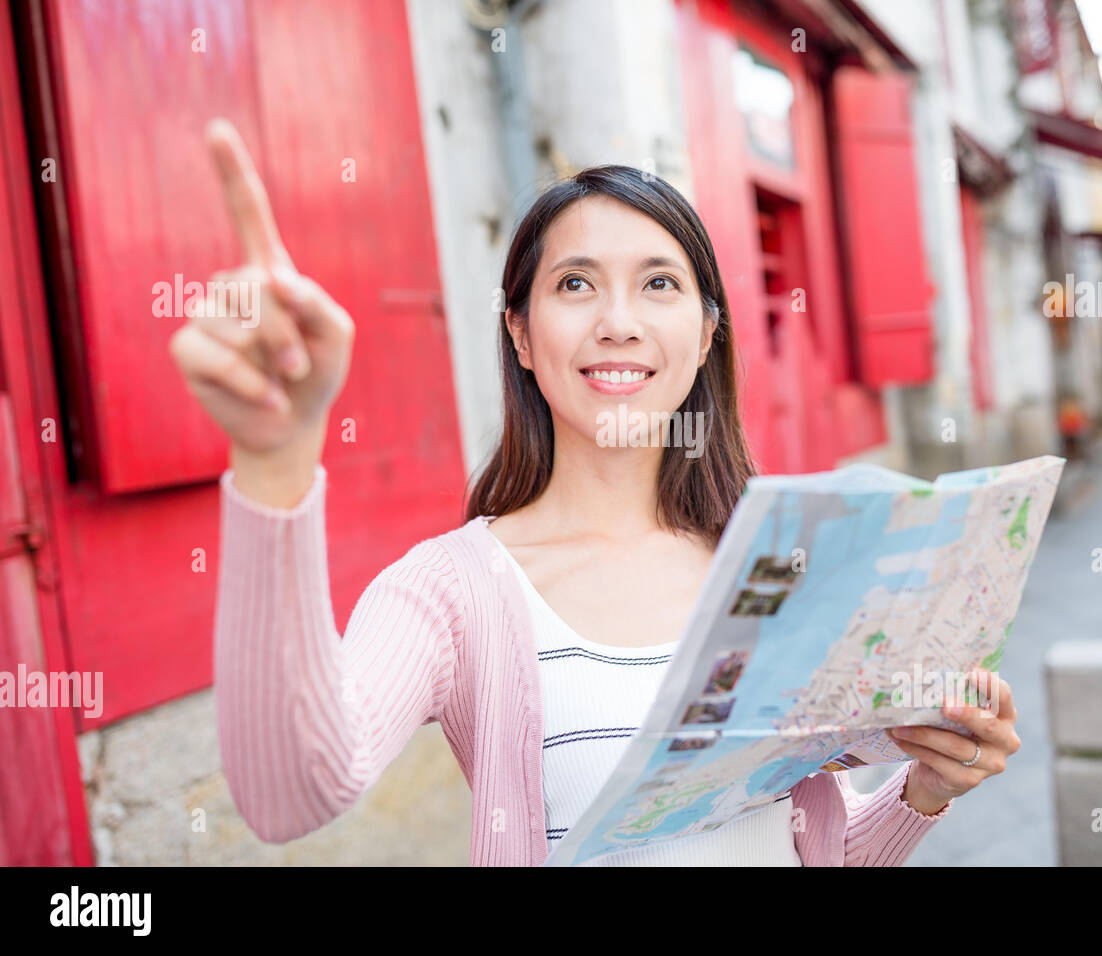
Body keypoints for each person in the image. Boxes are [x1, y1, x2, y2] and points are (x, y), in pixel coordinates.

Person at [169, 119, 1022, 866]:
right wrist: (274, 461)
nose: (618, 320)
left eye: (659, 283)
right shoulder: (455, 592)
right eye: (575, 284)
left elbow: (809, 851)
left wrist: (925, 789)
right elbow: (290, 798)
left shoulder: (782, 562)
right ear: (523, 335)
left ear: (704, 333)